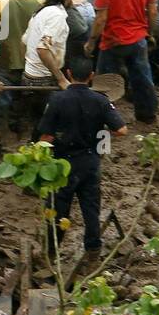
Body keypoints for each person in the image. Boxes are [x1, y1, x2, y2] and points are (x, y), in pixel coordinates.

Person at [38, 56, 128, 268]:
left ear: (68, 74)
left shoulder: (57, 100)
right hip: (90, 162)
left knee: (59, 210)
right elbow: (122, 130)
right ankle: (93, 254)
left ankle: (51, 255)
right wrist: (101, 130)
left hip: (62, 165)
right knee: (91, 210)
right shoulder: (101, 100)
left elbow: (46, 137)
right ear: (91, 76)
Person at [85, 0, 159, 124]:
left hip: (113, 41)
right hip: (138, 39)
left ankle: (101, 118)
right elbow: (153, 10)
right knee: (142, 79)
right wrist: (150, 32)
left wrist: (91, 42)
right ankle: (147, 115)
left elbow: (101, 18)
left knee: (104, 82)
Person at [0, 0, 44, 157]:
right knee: (30, 111)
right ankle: (31, 152)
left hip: (6, 62)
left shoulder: (0, 3)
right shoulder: (40, 3)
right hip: (33, 66)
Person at [21, 0, 77, 131]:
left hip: (28, 77)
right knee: (52, 127)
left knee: (38, 124)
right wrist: (60, 79)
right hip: (44, 80)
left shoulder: (41, 11)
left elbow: (24, 41)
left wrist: (27, 65)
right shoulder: (57, 17)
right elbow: (42, 49)